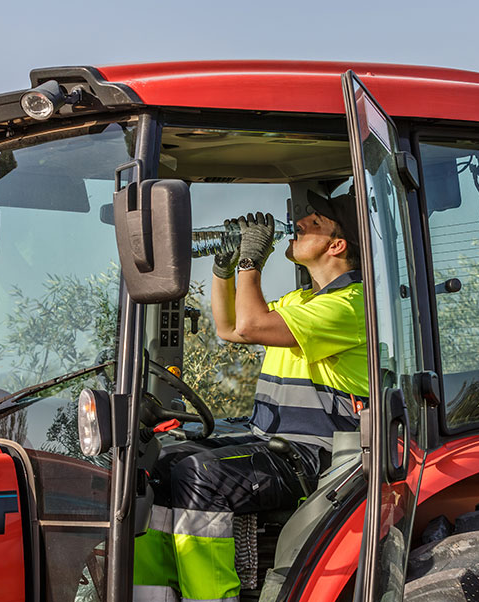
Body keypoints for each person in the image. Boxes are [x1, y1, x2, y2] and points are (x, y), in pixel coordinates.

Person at [134, 192, 368, 602]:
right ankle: (151, 595)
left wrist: (250, 263)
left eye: (316, 221)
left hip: (318, 455)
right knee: (159, 462)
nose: (301, 221)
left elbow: (253, 323)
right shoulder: (303, 301)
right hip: (274, 441)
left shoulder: (352, 305)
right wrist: (224, 269)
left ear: (337, 244)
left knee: (203, 475)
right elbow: (230, 328)